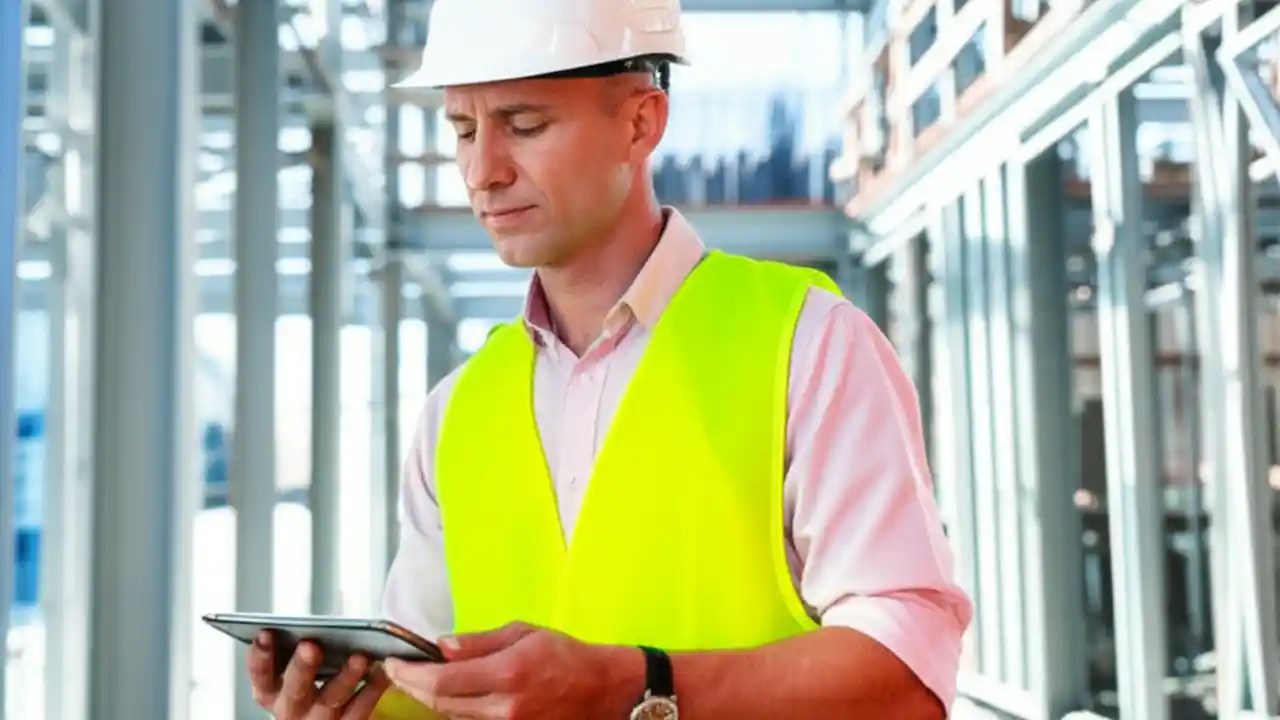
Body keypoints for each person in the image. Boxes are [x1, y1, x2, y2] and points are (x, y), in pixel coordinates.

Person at [246, 0, 973, 717]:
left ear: (640, 123)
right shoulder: (455, 412)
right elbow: (437, 689)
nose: (482, 170)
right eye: (464, 130)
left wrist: (641, 686)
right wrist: (351, 710)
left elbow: (907, 674)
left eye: (524, 126)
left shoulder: (807, 345)